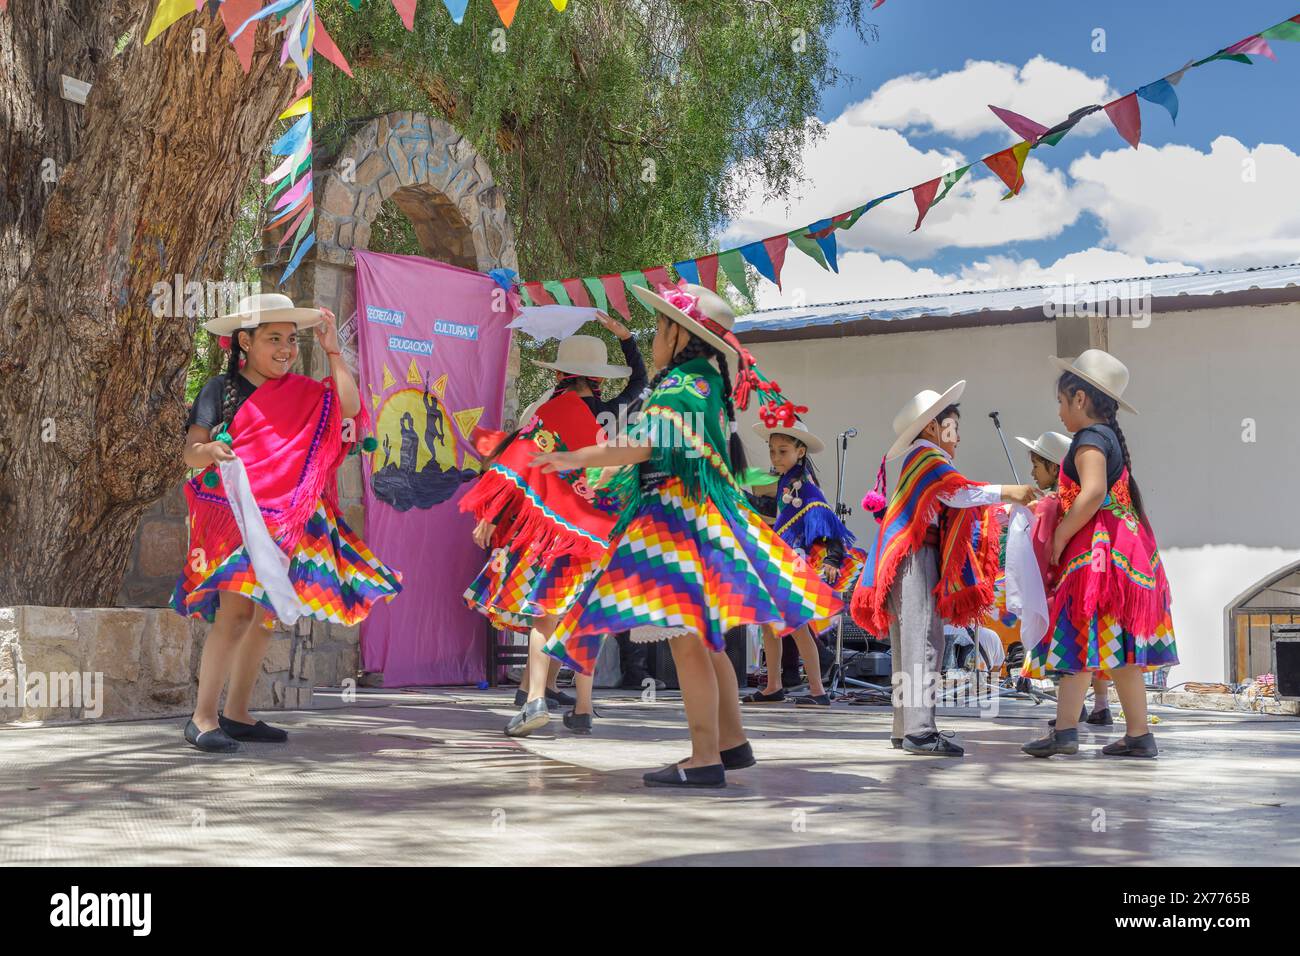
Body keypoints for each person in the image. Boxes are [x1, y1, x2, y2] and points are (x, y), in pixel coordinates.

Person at [536, 282, 841, 788]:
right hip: (695, 517)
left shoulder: (681, 386)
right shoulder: (705, 383)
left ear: (678, 334)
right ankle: (731, 742)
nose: (654, 340)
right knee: (705, 638)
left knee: (684, 639)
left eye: (658, 329)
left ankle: (703, 758)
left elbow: (641, 445)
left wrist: (575, 457)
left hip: (676, 526)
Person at [173, 293, 402, 753]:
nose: (285, 349)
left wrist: (333, 348)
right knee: (236, 615)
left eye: (292, 340)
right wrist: (211, 452)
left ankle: (237, 714)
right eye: (273, 338)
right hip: (237, 516)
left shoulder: (305, 392)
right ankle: (201, 718)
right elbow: (190, 451)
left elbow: (351, 406)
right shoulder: (219, 391)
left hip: (287, 519)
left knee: (264, 617)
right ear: (245, 341)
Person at [850, 383, 1038, 756]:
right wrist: (1009, 492)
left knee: (910, 645)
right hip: (916, 555)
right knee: (924, 641)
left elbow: (954, 497)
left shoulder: (920, 460)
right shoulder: (928, 459)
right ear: (934, 428)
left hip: (907, 556)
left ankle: (905, 726)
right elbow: (959, 493)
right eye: (953, 426)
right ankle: (920, 731)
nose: (958, 436)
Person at [461, 332, 631, 737]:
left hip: (551, 534)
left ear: (559, 374)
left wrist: (489, 515)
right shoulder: (603, 427)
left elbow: (516, 466)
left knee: (545, 617)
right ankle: (584, 709)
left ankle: (535, 697)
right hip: (593, 537)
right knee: (582, 621)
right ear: (597, 380)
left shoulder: (552, 412)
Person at [1021, 350, 1177, 758]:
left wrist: (1058, 537)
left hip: (1097, 557)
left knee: (1079, 635)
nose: (1058, 412)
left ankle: (1067, 731)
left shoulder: (1089, 439)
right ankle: (1136, 734)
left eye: (1060, 401)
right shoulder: (1108, 438)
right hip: (1124, 553)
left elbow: (1091, 494)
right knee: (1116, 645)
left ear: (1078, 398)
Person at [743, 420, 863, 707]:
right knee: (769, 624)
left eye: (782, 451)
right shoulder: (786, 483)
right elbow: (778, 515)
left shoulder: (806, 488)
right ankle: (773, 685)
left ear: (800, 451)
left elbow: (829, 523)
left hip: (793, 565)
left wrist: (833, 558)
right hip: (778, 562)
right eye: (771, 451)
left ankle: (817, 691)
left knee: (796, 627)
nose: (775, 457)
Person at [1013, 431, 1113, 727]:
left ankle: (1072, 712)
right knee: (1091, 644)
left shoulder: (1052, 503)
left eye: (1036, 465)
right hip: (1091, 579)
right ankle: (1101, 706)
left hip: (1063, 587)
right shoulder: (1077, 501)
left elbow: (1041, 542)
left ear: (1054, 468)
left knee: (1064, 648)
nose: (1032, 472)